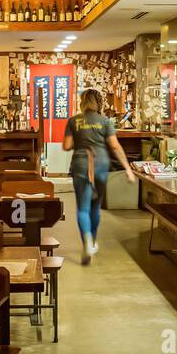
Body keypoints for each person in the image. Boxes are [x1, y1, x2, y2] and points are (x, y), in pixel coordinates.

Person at [63, 89, 134, 265]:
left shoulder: (73, 121)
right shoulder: (105, 121)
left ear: (82, 102)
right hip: (101, 164)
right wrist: (128, 169)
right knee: (96, 206)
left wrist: (80, 140)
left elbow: (66, 145)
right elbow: (115, 146)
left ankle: (86, 241)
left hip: (81, 164)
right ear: (98, 103)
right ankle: (93, 241)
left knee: (83, 208)